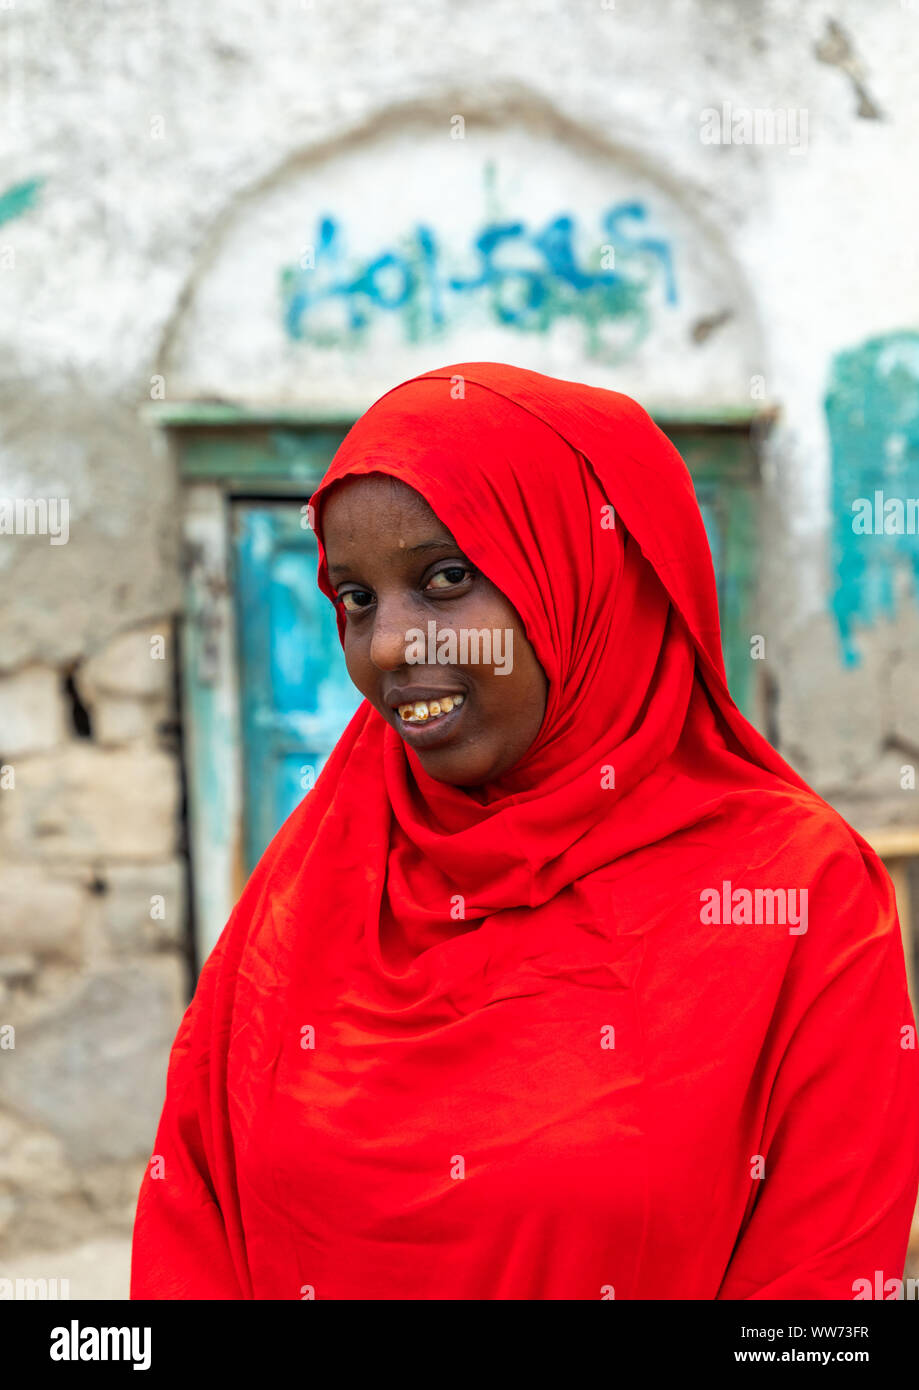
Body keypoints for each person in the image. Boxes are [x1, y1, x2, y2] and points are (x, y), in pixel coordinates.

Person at [130, 361, 919, 1300]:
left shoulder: (793, 894)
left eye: (446, 579)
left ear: (589, 577)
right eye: (355, 598)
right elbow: (192, 1227)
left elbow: (816, 1295)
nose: (387, 645)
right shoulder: (319, 868)